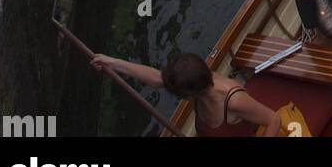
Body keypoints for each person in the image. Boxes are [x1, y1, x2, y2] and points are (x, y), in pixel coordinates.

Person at [91, 51, 282, 138]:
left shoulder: (234, 101)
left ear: (192, 93)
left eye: (179, 95)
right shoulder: (197, 82)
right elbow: (157, 78)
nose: (177, 98)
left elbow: (274, 120)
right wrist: (113, 63)